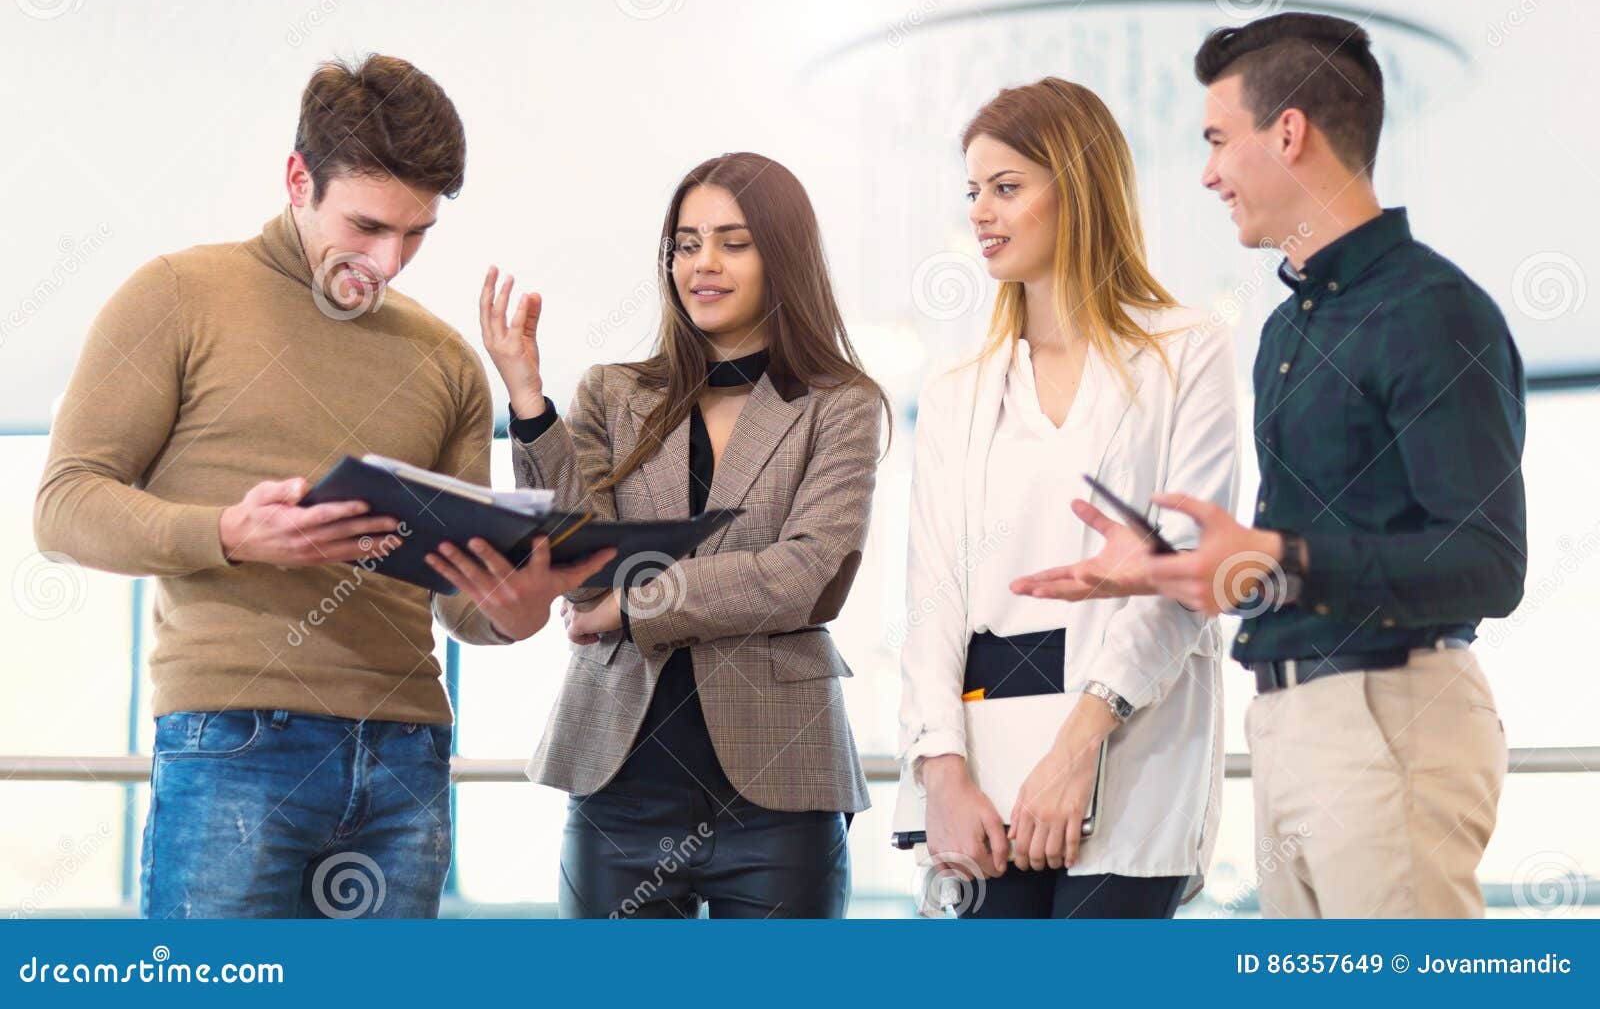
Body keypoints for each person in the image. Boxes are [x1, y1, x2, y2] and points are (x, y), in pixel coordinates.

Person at [33, 53, 611, 920]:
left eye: (416, 234)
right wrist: (229, 532)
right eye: (368, 225)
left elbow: (454, 597)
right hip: (234, 740)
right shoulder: (176, 297)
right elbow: (64, 504)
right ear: (298, 178)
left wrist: (510, 613)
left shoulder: (448, 360)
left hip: (408, 755)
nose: (388, 260)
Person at [1014, 13, 1525, 918]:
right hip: (1291, 722)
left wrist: (1279, 556)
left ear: (1288, 133)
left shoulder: (1434, 310)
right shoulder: (1289, 330)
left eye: (1218, 140)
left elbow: (1490, 563)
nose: (1208, 173)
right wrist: (1190, 573)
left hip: (1389, 717)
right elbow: (1303, 557)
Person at [480, 151, 889, 918]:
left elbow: (805, 576)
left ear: (783, 254)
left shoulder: (842, 403)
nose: (704, 263)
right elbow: (583, 567)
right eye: (686, 242)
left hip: (781, 789)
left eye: (734, 242)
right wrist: (531, 403)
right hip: (621, 783)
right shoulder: (614, 391)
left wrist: (638, 611)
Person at [898, 78, 1239, 919]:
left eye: (1007, 188)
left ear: (1079, 188)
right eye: (973, 191)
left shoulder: (1186, 351)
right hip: (979, 781)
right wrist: (940, 768)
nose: (981, 212)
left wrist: (1079, 742)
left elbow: (1184, 576)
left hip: (1130, 756)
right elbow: (934, 595)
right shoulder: (955, 389)